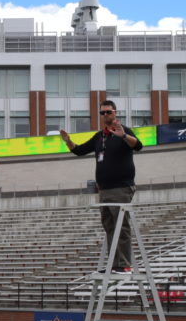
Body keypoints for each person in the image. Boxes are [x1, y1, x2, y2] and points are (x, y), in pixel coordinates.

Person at [59, 100, 143, 273]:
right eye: (102, 113)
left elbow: (139, 146)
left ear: (115, 113)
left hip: (121, 187)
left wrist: (124, 136)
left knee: (121, 226)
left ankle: (124, 264)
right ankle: (115, 264)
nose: (105, 115)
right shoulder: (100, 136)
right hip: (104, 189)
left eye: (108, 112)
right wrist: (68, 141)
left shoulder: (123, 131)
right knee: (109, 226)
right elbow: (80, 150)